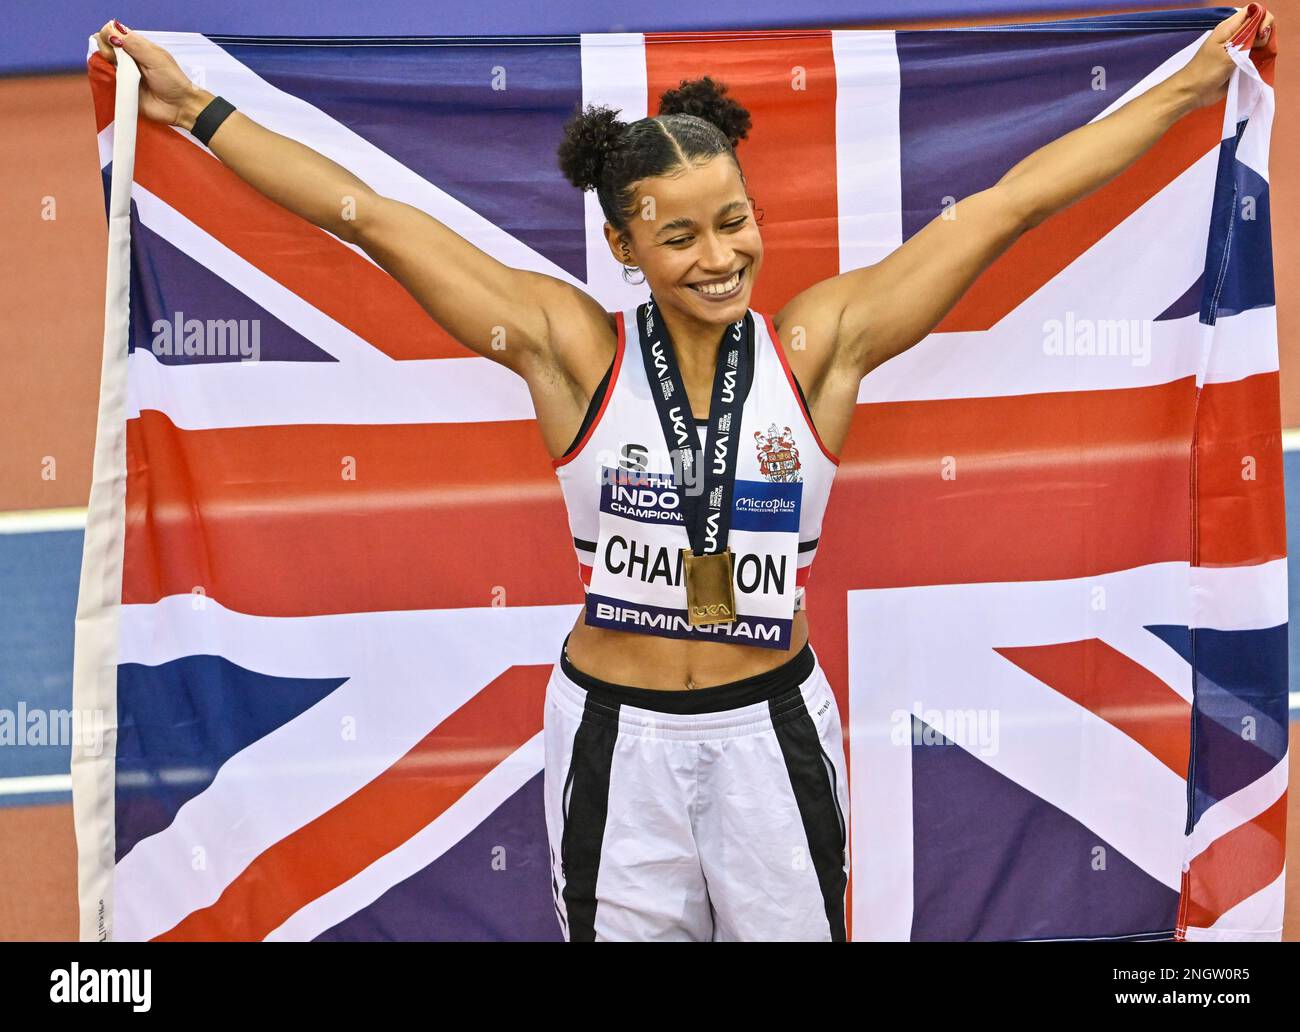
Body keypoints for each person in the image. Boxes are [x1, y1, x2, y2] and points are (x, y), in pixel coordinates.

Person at [93, 7, 1274, 942]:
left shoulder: (820, 348)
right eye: (681, 237)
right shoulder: (570, 350)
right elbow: (385, 225)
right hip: (616, 739)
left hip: (774, 733)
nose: (721, 257)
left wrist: (1192, 77)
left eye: (735, 222)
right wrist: (200, 114)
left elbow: (1011, 208)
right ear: (623, 246)